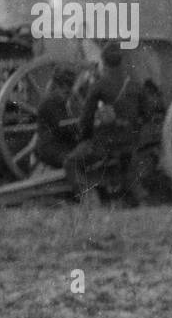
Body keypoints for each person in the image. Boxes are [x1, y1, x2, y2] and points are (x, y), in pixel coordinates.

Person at [65, 44, 155, 205]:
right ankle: (142, 200)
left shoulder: (99, 86)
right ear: (121, 62)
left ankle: (89, 198)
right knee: (128, 166)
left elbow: (86, 119)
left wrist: (84, 137)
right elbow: (148, 115)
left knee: (70, 162)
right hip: (129, 142)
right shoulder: (135, 84)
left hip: (105, 143)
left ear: (103, 62)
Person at [35, 66, 81, 170]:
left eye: (71, 85)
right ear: (59, 85)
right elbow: (62, 126)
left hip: (62, 144)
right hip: (51, 147)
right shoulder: (49, 103)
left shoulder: (61, 100)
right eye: (67, 85)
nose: (70, 90)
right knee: (77, 160)